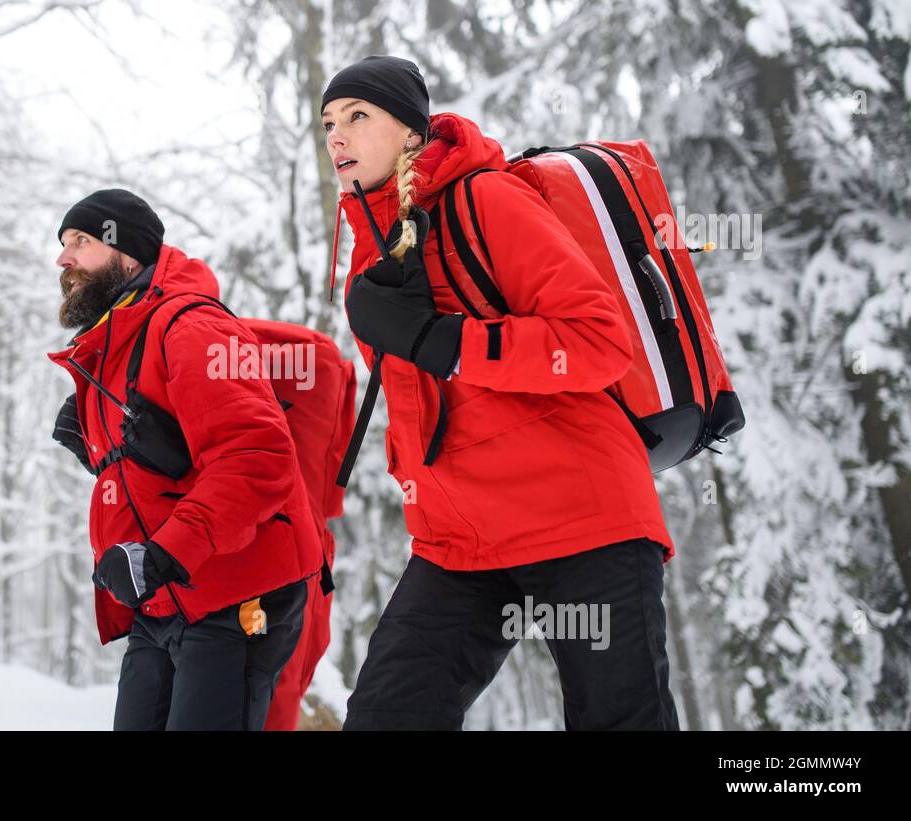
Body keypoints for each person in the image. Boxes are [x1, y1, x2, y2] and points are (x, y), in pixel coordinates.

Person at [320, 56, 680, 730]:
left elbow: (598, 340)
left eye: (358, 116)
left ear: (410, 134)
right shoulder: (372, 264)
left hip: (581, 517)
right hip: (461, 540)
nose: (336, 136)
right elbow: (421, 411)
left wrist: (446, 340)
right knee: (384, 716)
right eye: (328, 123)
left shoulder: (487, 199)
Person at [45, 189, 322, 730]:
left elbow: (257, 457)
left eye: (80, 241)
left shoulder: (192, 326)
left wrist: (163, 555)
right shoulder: (114, 348)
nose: (63, 258)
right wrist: (104, 456)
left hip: (235, 595)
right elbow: (173, 469)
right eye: (62, 244)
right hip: (164, 602)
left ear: (127, 254)